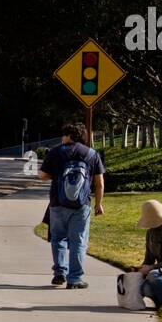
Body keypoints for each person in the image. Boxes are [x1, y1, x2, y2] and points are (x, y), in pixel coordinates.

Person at [38, 122, 105, 289]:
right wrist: (99, 204)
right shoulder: (91, 154)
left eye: (64, 135)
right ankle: (75, 279)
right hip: (82, 205)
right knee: (79, 240)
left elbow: (42, 175)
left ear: (69, 136)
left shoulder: (55, 152)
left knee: (58, 238)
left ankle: (60, 272)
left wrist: (57, 177)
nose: (62, 138)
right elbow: (99, 183)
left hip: (57, 202)